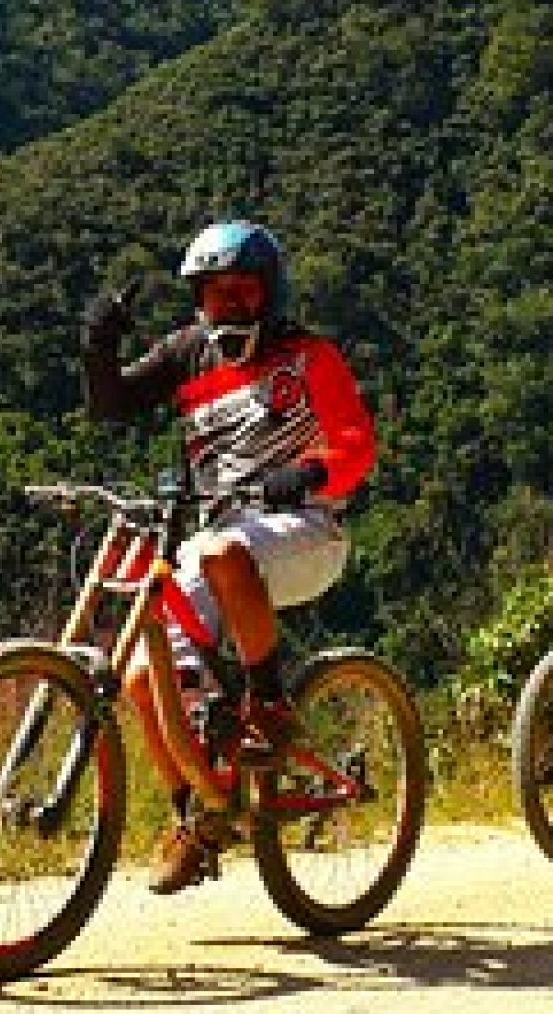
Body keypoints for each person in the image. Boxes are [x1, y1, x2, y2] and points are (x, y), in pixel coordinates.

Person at [81, 218, 377, 894]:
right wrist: (97, 345)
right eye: (215, 295)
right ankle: (199, 812)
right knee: (138, 676)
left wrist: (308, 474)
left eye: (243, 291)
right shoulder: (188, 353)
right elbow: (112, 403)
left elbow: (356, 444)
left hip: (306, 532)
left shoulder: (308, 357)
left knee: (220, 547)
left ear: (269, 293)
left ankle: (270, 706)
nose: (229, 305)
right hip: (222, 544)